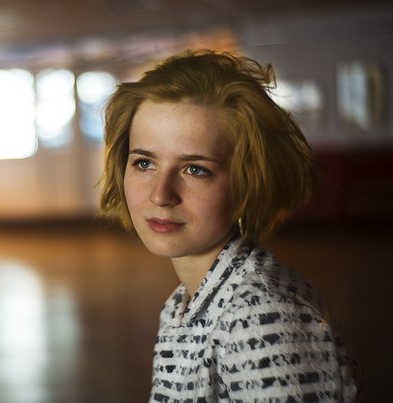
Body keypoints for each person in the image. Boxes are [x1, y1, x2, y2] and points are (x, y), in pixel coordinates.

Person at [99, 50, 358, 402]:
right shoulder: (183, 304)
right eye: (144, 163)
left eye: (195, 169)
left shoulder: (259, 316)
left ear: (248, 182)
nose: (160, 195)